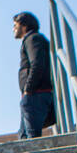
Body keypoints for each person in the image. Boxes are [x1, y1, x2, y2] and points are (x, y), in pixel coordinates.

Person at [13, 11, 56, 139]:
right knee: (24, 137)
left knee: (32, 138)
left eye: (16, 25)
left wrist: (28, 89)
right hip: (33, 95)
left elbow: (37, 64)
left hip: (35, 94)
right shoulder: (32, 39)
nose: (13, 29)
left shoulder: (33, 39)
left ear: (24, 26)